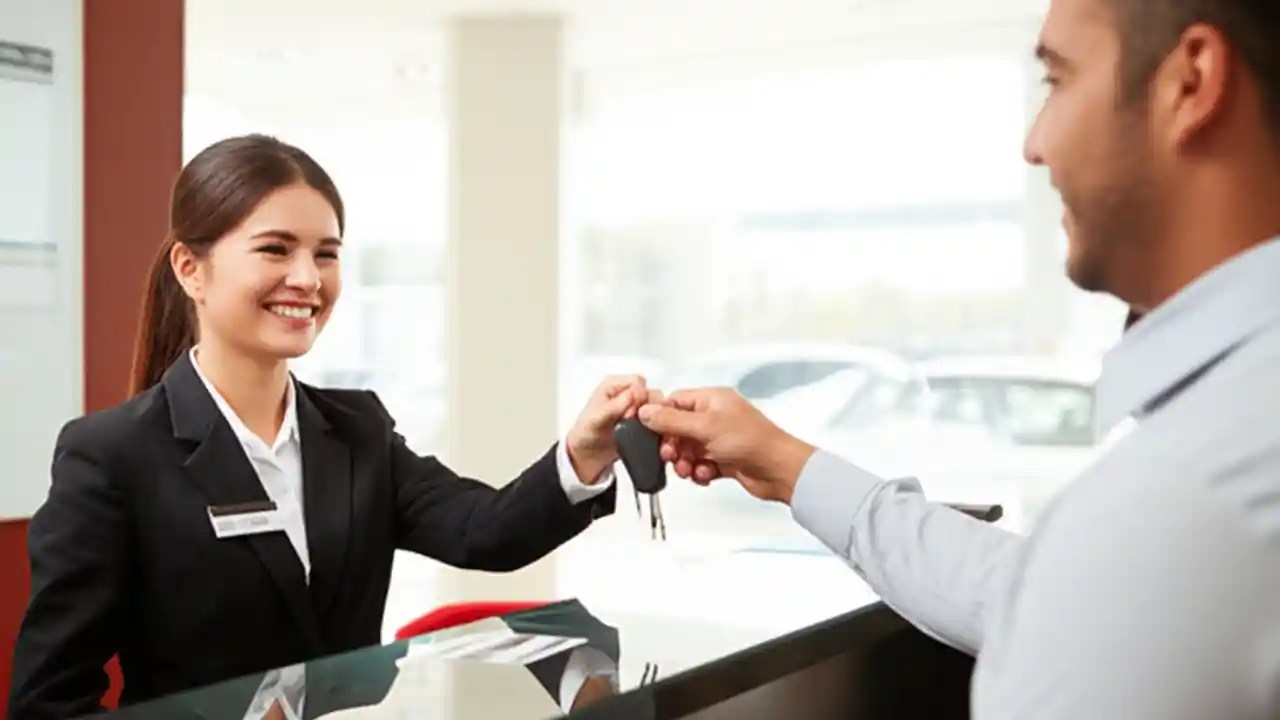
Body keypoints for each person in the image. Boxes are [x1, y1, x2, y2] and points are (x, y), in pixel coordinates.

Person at [639, 1, 1280, 717]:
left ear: (1190, 83)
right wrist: (785, 464)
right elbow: (1043, 594)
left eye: (1057, 81)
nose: (1035, 145)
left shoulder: (1191, 495)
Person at [8, 134, 653, 719]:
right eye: (275, 249)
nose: (307, 279)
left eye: (326, 253)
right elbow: (49, 704)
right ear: (190, 269)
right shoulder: (112, 456)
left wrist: (584, 450)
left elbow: (484, 531)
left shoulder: (357, 429)